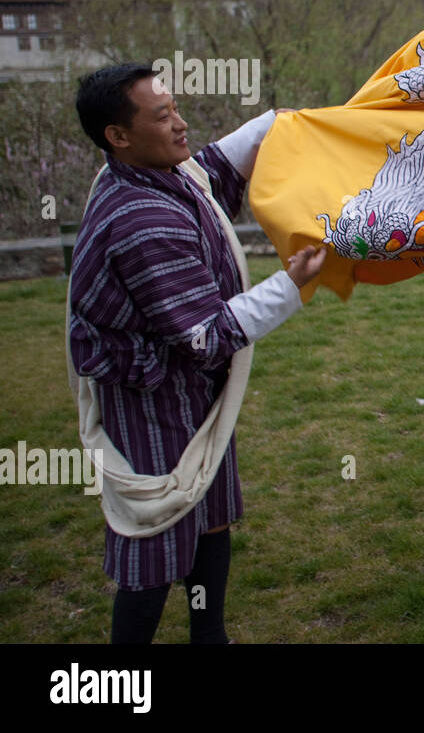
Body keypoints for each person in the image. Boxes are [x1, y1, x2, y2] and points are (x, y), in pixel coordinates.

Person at [68, 63, 325, 643]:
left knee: (209, 517)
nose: (181, 124)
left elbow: (205, 174)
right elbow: (206, 337)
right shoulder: (141, 221)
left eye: (176, 107)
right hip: (152, 406)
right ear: (118, 134)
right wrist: (291, 285)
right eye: (163, 117)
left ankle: (211, 638)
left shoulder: (147, 173)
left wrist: (270, 126)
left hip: (189, 394)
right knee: (155, 539)